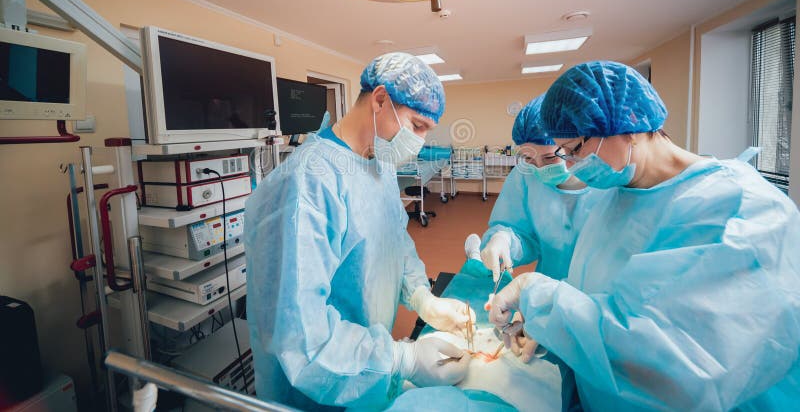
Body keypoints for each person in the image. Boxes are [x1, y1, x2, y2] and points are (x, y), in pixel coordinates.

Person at [489, 61, 800, 411]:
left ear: (629, 126)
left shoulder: (742, 212)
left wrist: (539, 297)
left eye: (574, 150)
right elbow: (597, 297)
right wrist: (550, 328)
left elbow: (671, 366)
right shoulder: (617, 193)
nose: (570, 166)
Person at [245, 52, 473, 410]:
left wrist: (421, 297)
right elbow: (300, 334)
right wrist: (403, 360)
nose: (420, 141)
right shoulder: (306, 184)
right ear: (379, 100)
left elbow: (395, 242)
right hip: (314, 389)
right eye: (416, 126)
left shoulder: (377, 166)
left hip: (365, 370)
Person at [478, 95, 604, 362]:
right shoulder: (526, 175)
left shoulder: (610, 185)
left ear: (573, 146)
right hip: (543, 297)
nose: (538, 168)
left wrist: (560, 310)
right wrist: (504, 238)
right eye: (528, 158)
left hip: (598, 315)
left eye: (549, 158)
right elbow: (523, 233)